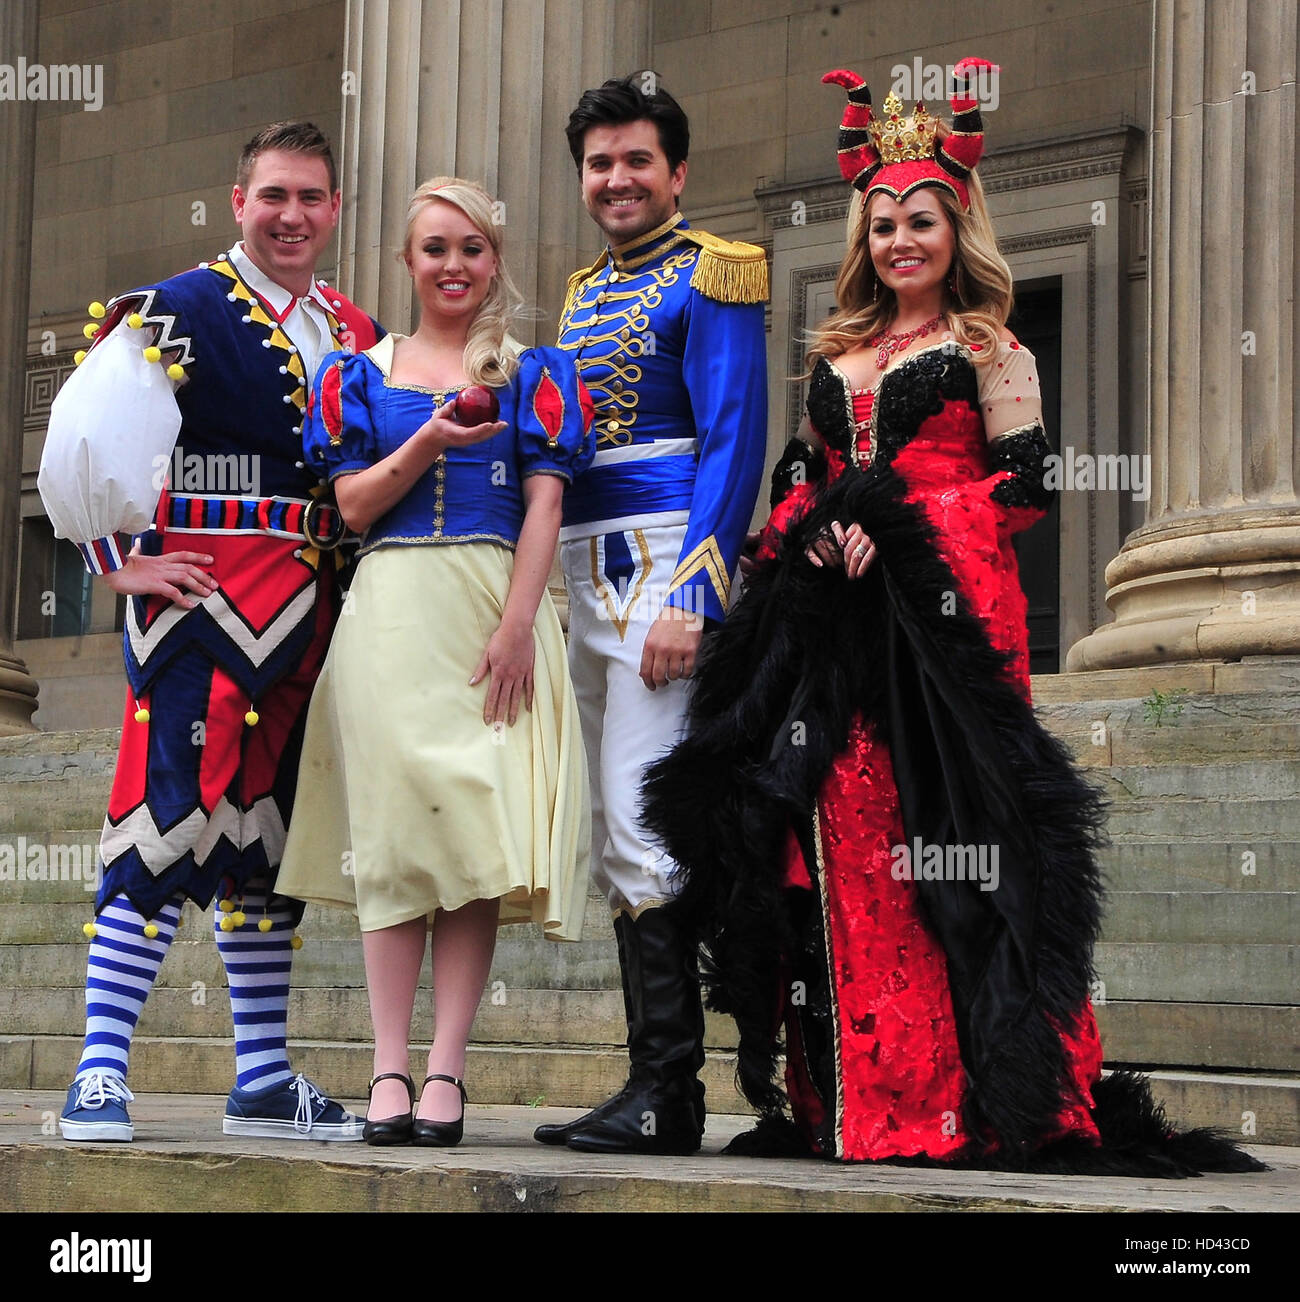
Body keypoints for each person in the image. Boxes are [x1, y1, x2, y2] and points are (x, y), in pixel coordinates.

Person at [642, 61, 1265, 1176]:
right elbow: (802, 474)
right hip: (836, 639)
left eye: (919, 222)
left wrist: (903, 525)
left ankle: (962, 1102)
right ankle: (853, 1103)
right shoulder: (835, 355)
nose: (898, 243)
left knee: (958, 853)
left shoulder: (991, 350)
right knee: (839, 845)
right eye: (880, 226)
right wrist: (812, 523)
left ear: (956, 226)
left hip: (938, 638)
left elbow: (1022, 487)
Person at [38, 122, 382, 1143]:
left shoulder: (355, 328)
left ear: (332, 209)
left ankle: (264, 1076)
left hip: (310, 620)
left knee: (268, 844)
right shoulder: (181, 309)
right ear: (238, 201)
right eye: (273, 195)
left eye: (310, 197)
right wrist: (113, 560)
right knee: (159, 818)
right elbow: (87, 435)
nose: (290, 215)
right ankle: (99, 1069)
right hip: (199, 607)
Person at [275, 177, 594, 1147]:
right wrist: (428, 434)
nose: (453, 265)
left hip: (492, 612)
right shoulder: (357, 375)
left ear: (493, 258)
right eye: (434, 249)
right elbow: (355, 509)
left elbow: (546, 504)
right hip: (391, 616)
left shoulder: (533, 370)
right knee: (391, 840)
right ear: (407, 262)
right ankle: (385, 1068)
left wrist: (517, 624)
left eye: (471, 248)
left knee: (470, 847)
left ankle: (446, 1069)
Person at [531, 74, 769, 1156]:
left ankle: (670, 1094)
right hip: (582, 569)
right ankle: (651, 1086)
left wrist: (696, 592)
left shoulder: (718, 272)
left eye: (636, 160)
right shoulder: (581, 293)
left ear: (677, 172)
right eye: (599, 163)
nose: (616, 179)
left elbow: (731, 438)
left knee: (637, 816)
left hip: (662, 565)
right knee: (606, 825)